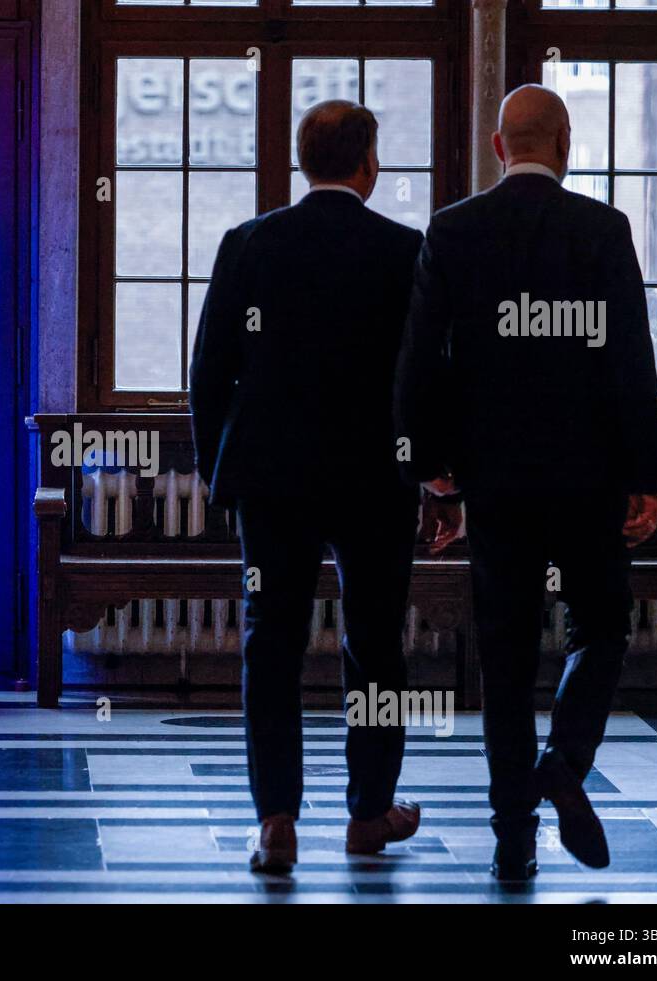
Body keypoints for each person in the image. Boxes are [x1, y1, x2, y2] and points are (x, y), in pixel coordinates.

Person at [395, 85, 657, 882]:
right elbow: (630, 362)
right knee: (603, 630)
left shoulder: (453, 230)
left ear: (498, 144)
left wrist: (435, 475)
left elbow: (422, 362)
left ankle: (513, 840)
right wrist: (644, 474)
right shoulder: (603, 230)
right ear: (567, 142)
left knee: (505, 660)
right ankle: (565, 763)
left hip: (496, 482)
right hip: (589, 479)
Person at [190, 100, 426, 874]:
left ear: (302, 162)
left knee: (271, 641)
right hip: (374, 480)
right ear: (367, 165)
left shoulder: (248, 245)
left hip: (271, 478)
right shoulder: (403, 250)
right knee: (377, 646)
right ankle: (367, 813)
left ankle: (276, 819)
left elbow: (208, 374)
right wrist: (434, 475)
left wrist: (221, 466)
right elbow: (421, 378)